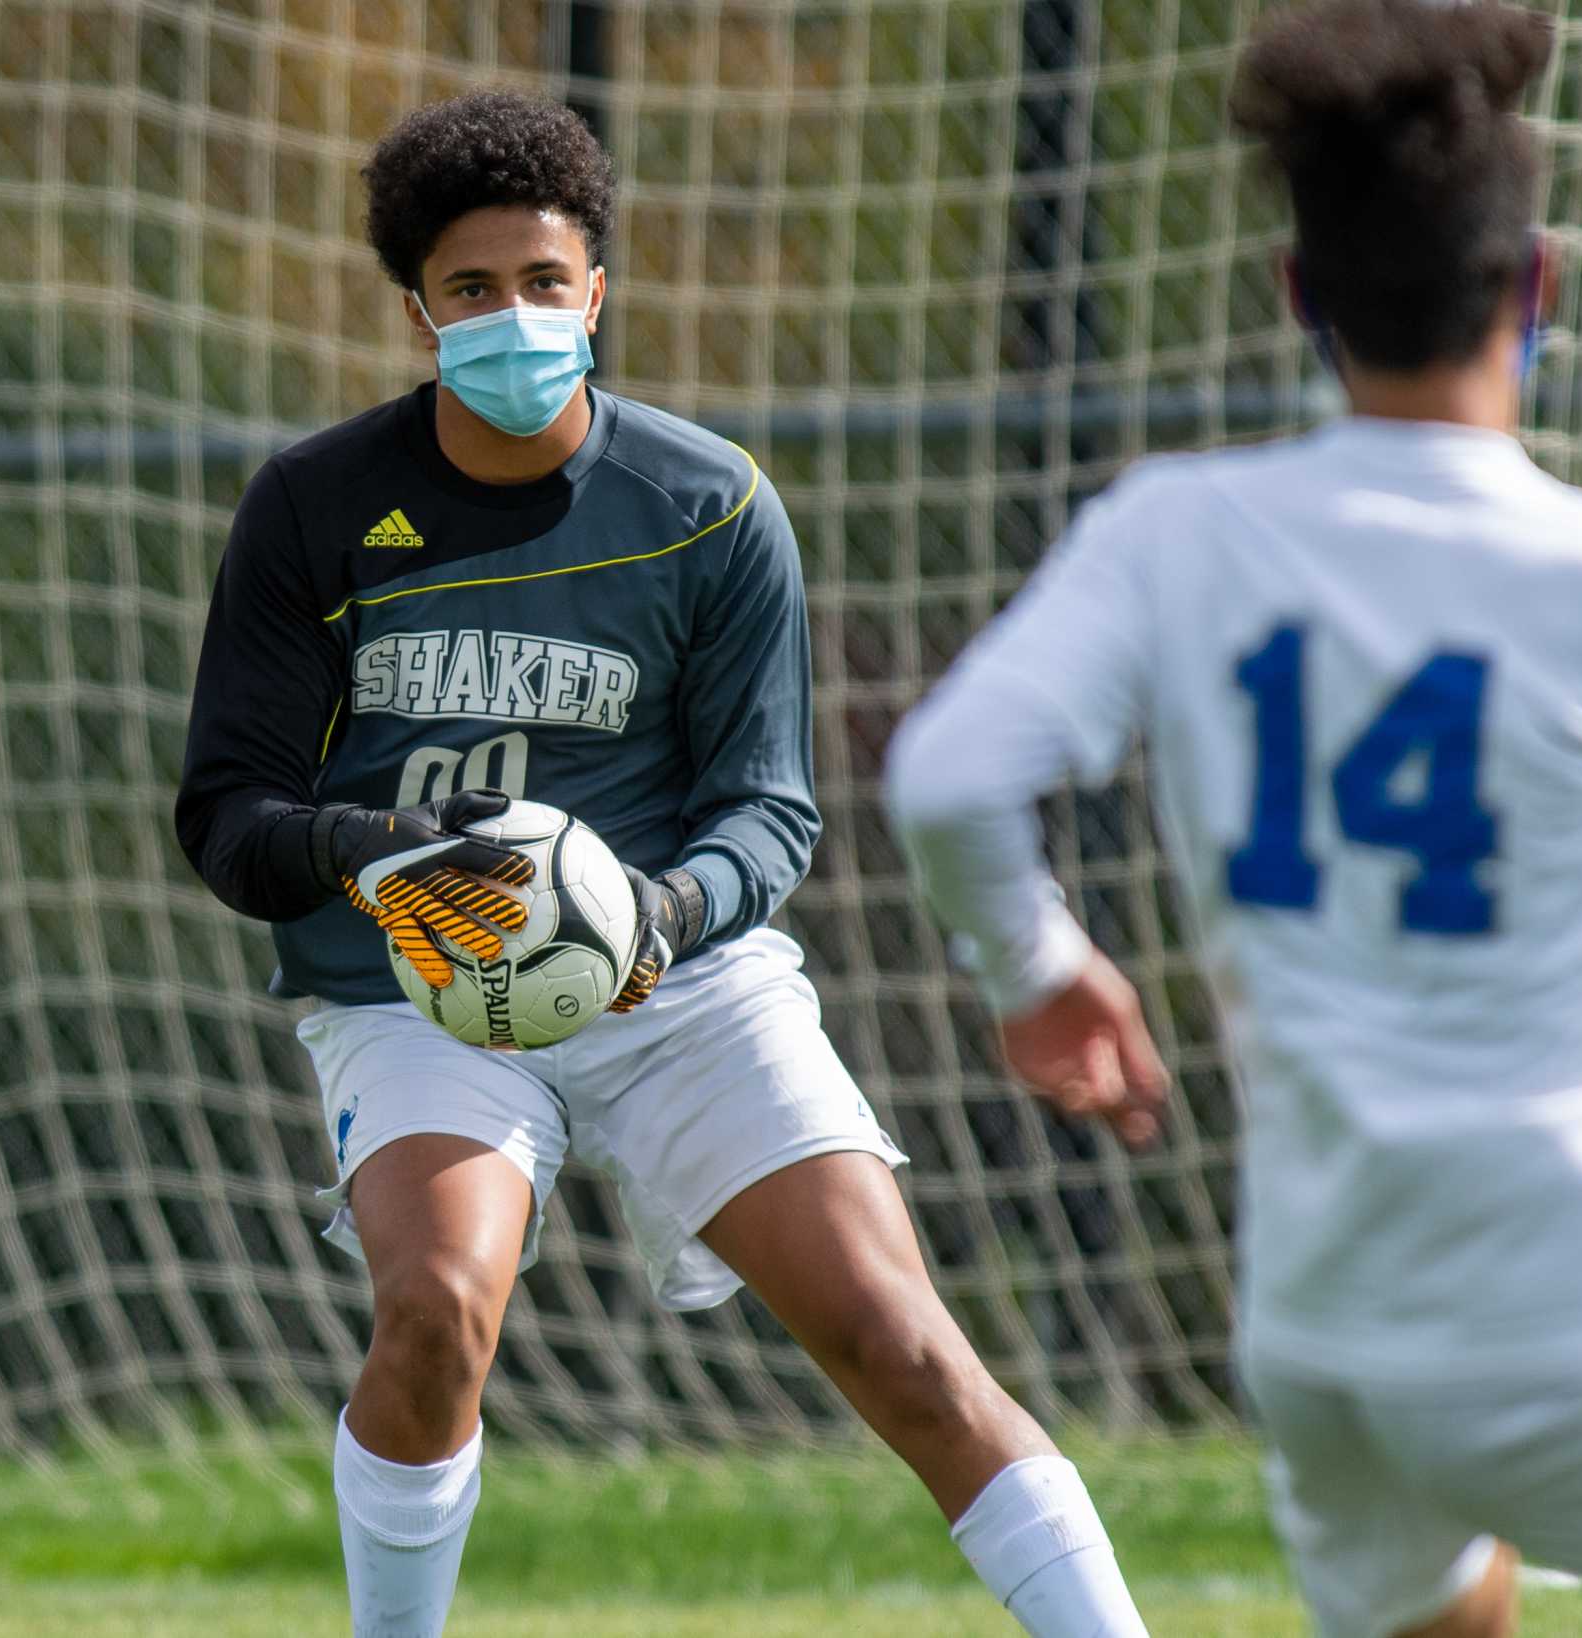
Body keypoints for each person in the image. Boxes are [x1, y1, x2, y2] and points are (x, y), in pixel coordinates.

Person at [175, 89, 1147, 1638]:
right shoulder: (315, 507)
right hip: (413, 983)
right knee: (435, 1310)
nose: (514, 316)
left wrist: (660, 910)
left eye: (545, 283)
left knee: (906, 1346)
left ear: (599, 292)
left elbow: (774, 812)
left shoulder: (711, 506)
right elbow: (227, 816)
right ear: (418, 309)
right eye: (474, 290)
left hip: (682, 984)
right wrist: (376, 854)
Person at [886, 3, 1582, 1634]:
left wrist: (1034, 962)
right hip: (1573, 1302)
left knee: (1438, 1610)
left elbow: (947, 775)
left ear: (1298, 298)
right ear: (1535, 288)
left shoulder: (1177, 531)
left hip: (1326, 1322)